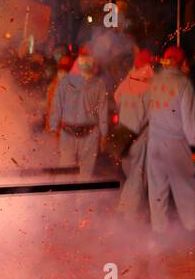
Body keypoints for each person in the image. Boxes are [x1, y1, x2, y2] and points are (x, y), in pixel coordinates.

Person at [143, 45, 195, 235]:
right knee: (185, 188)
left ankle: (159, 233)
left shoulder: (153, 81)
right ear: (181, 62)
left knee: (157, 190)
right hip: (176, 144)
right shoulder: (184, 83)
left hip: (154, 143)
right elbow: (189, 121)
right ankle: (193, 231)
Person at [49, 46, 109, 177]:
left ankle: (66, 191)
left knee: (67, 172)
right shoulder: (99, 84)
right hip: (85, 133)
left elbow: (56, 106)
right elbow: (103, 110)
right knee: (83, 173)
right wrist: (104, 134)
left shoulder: (65, 81)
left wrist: (54, 128)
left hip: (74, 132)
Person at [113, 48, 153, 216]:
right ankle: (128, 213)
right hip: (138, 136)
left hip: (122, 134)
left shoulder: (127, 82)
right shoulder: (150, 85)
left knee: (130, 173)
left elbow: (116, 98)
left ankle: (130, 210)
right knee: (137, 176)